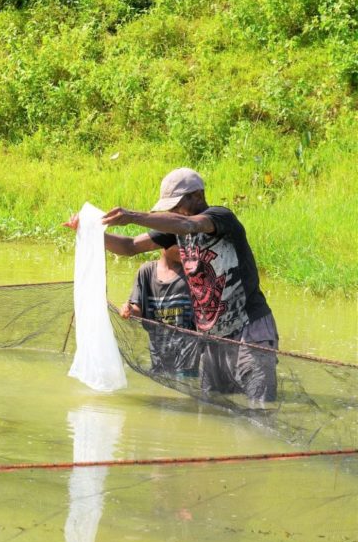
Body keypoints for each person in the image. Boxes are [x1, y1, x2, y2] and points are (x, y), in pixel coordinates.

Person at [65, 168, 278, 403]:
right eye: (171, 207)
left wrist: (134, 216)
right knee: (213, 410)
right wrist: (90, 233)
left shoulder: (220, 217)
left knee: (261, 408)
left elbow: (188, 225)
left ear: (198, 195)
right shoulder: (175, 231)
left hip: (248, 331)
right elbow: (130, 246)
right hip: (212, 339)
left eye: (177, 205)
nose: (173, 211)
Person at [121, 244, 200, 378]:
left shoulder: (192, 274)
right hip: (158, 356)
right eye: (177, 243)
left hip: (188, 358)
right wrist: (128, 310)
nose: (184, 249)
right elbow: (137, 309)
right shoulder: (146, 272)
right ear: (162, 243)